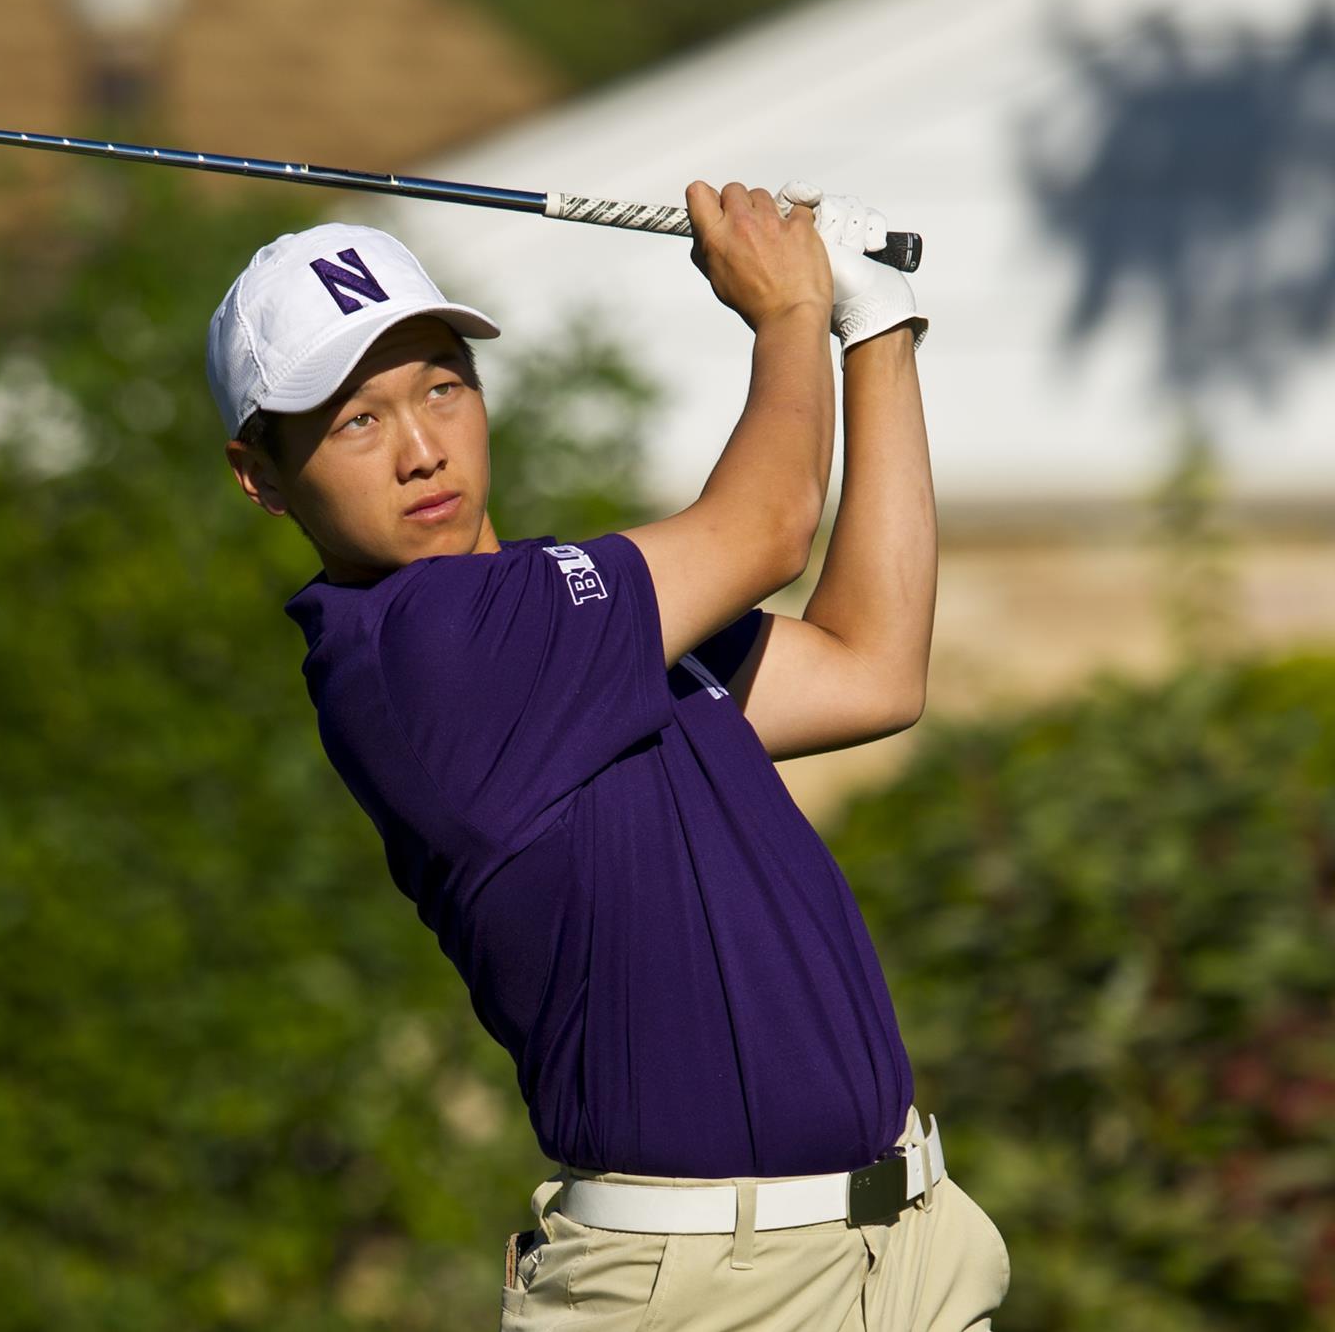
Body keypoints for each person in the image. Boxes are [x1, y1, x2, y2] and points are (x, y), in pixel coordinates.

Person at [208, 181, 1010, 1330]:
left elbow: (869, 663)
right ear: (262, 475)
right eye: (355, 421)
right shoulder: (422, 651)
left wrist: (871, 329)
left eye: (441, 388)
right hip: (696, 1294)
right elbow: (771, 525)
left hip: (905, 1257)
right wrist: (788, 313)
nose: (421, 451)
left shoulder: (570, 621)